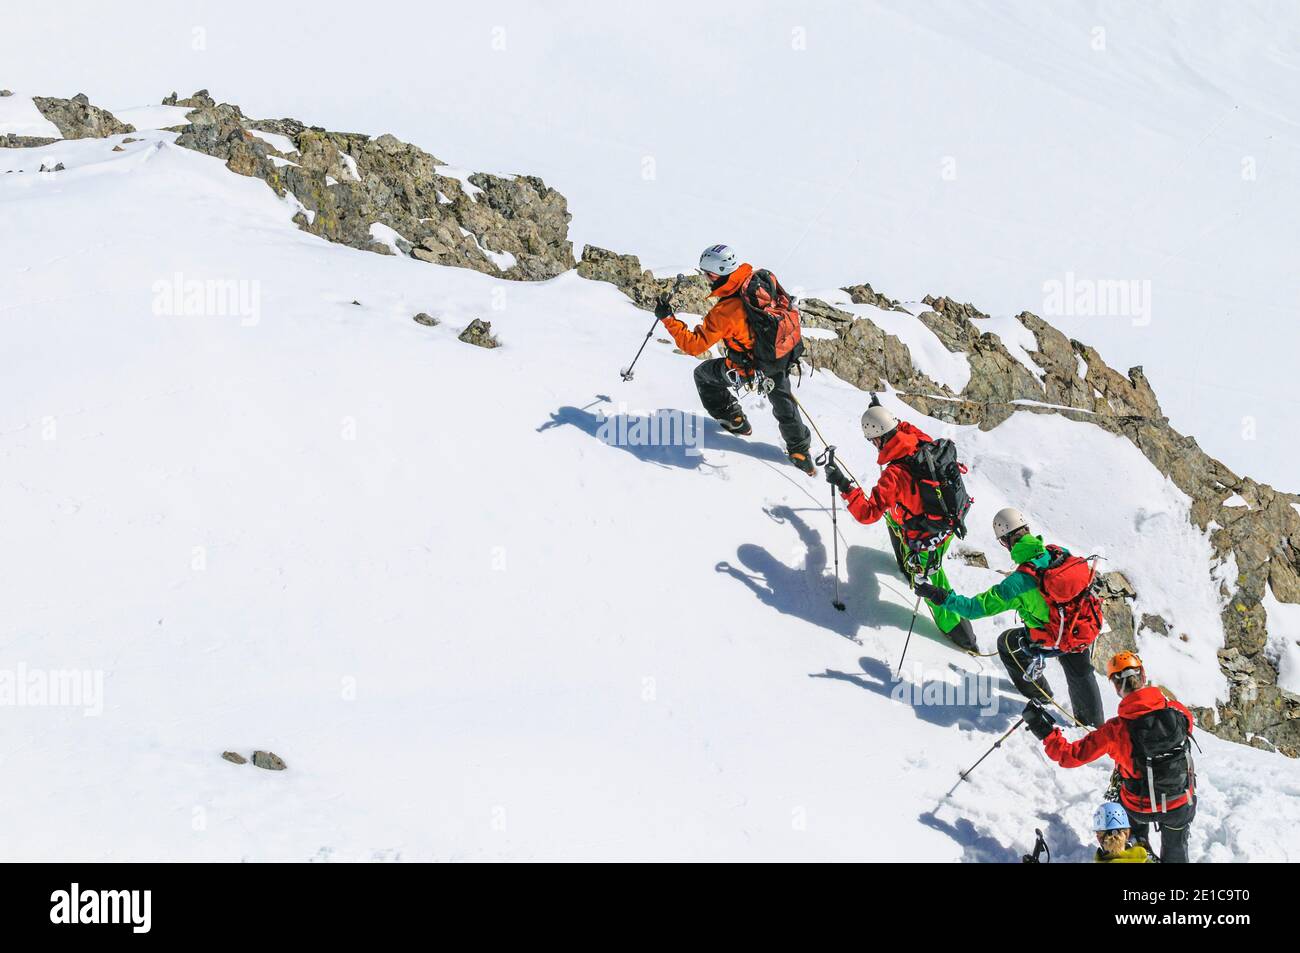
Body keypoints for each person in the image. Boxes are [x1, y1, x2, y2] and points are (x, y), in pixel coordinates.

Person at [913, 507, 1105, 726]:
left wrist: (938, 595)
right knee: (1079, 667)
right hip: (1083, 624)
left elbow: (974, 608)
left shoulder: (1018, 583)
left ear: (1006, 542)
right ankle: (1093, 727)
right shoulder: (1057, 552)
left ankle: (1040, 694)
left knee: (1008, 644)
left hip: (1053, 636)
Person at [823, 400, 977, 652]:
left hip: (927, 537)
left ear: (878, 440)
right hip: (948, 520)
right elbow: (904, 426)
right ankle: (907, 565)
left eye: (872, 440)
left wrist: (843, 484)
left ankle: (962, 636)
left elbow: (868, 512)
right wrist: (881, 413)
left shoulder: (894, 475)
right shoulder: (919, 440)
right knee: (894, 518)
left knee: (932, 586)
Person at [1023, 652, 1197, 863]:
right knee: (1176, 848)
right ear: (1143, 675)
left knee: (1122, 806)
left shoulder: (1115, 731)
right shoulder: (1177, 711)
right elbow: (1187, 726)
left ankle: (1138, 845)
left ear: (1116, 687)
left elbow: (1069, 756)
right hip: (1179, 801)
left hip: (1138, 806)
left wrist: (1044, 730)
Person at [655, 244, 814, 475]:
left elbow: (694, 345)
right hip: (780, 355)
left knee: (703, 375)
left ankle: (734, 419)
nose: (706, 279)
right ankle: (800, 453)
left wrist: (668, 319)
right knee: (783, 401)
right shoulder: (759, 278)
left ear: (715, 273)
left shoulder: (725, 312)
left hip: (750, 367)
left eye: (707, 274)